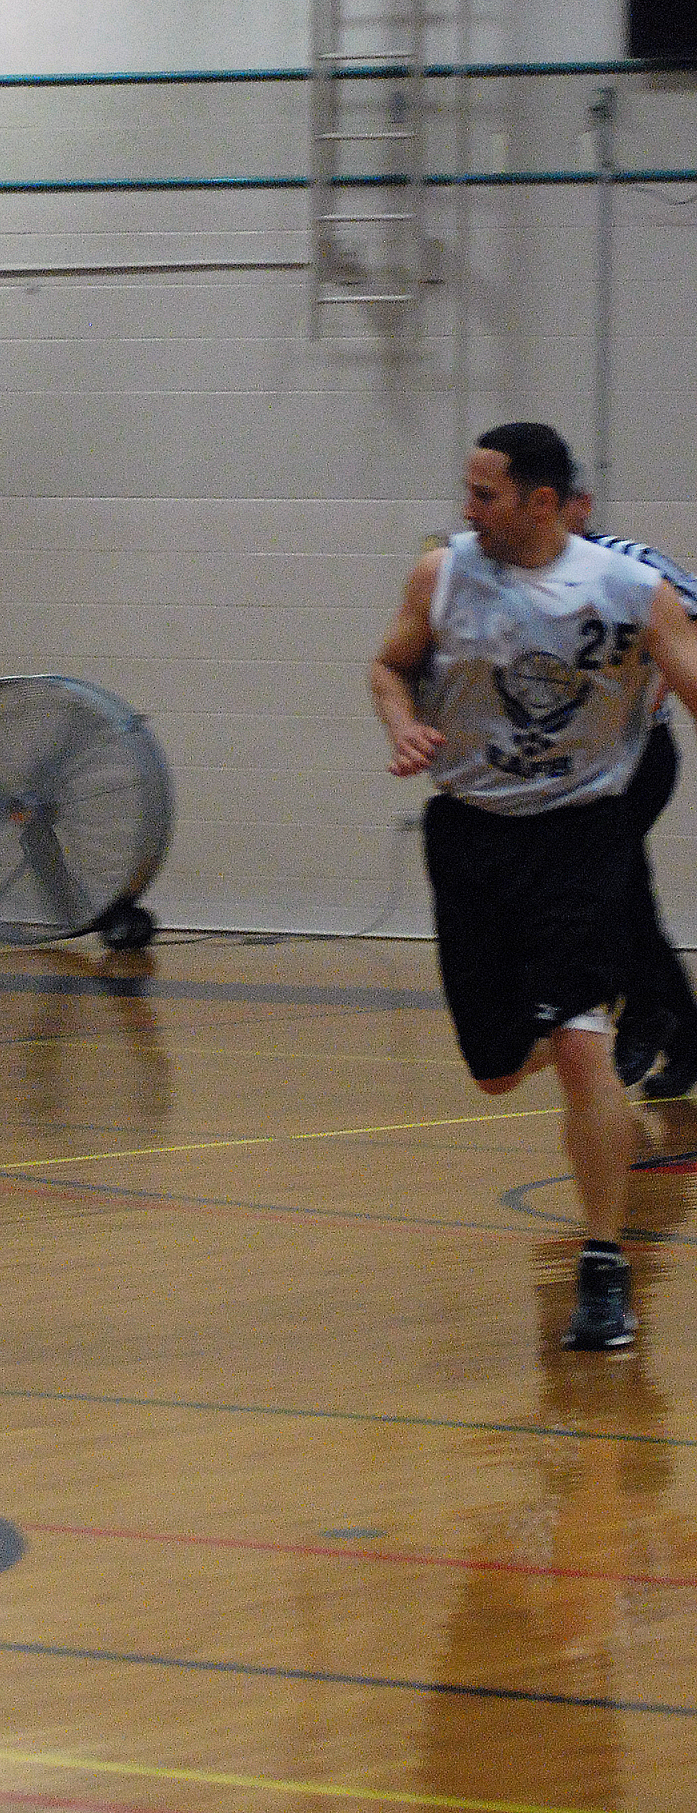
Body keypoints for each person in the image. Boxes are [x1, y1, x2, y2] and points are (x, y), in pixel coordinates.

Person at [371, 423, 697, 1351]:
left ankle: (604, 1266)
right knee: (494, 1070)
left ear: (542, 502)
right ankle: (580, 1027)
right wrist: (398, 720)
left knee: (580, 1043)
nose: (467, 511)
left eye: (485, 495)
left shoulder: (629, 591)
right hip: (470, 835)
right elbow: (386, 666)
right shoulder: (441, 575)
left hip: (580, 833)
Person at [563, 486, 697, 1099]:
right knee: (619, 901)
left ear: (575, 507)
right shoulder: (504, 579)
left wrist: (671, 669)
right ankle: (679, 1030)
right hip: (558, 768)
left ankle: (644, 1012)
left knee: (608, 893)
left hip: (635, 760)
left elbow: (689, 618)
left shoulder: (629, 564)